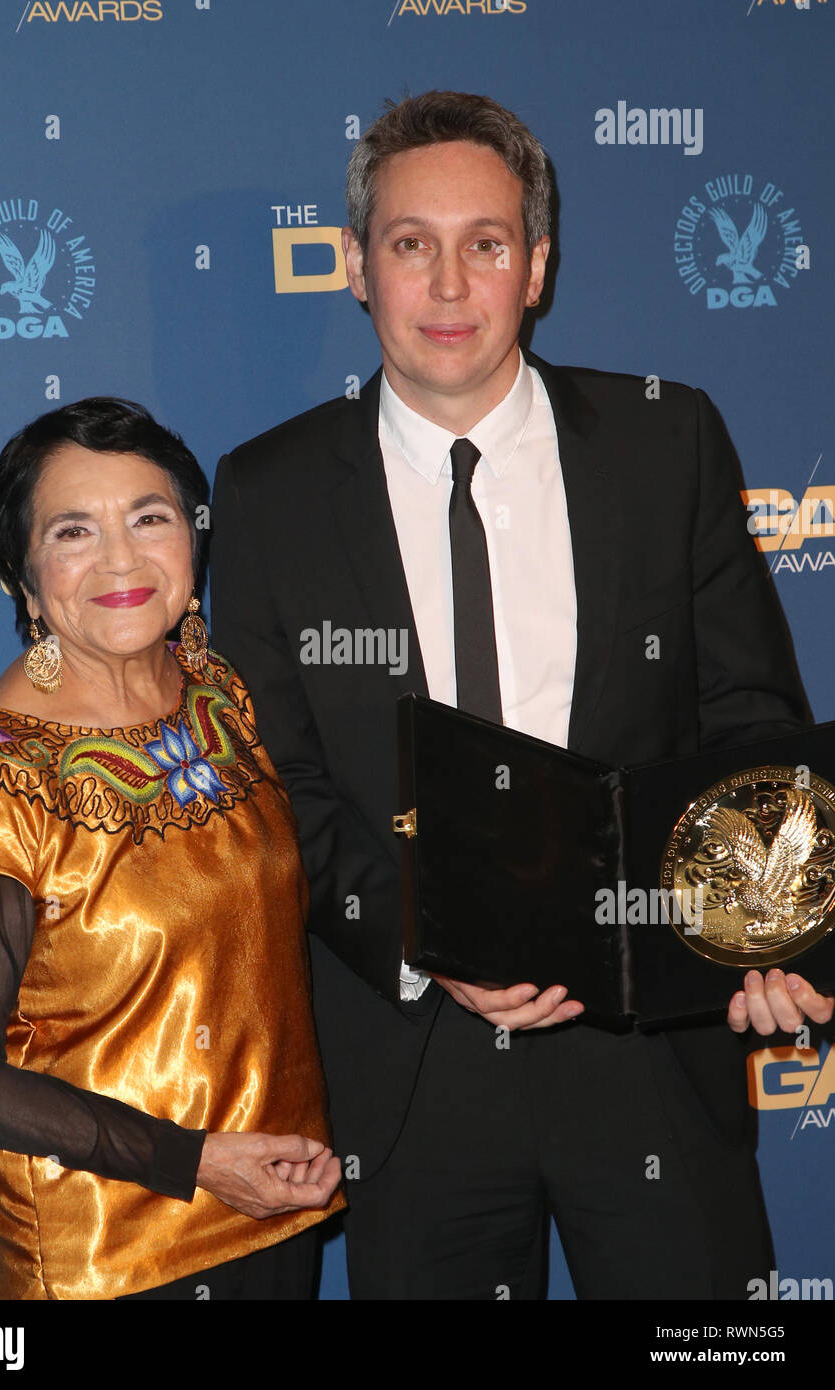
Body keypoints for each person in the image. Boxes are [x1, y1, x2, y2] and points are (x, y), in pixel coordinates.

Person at [209, 91, 834, 1300]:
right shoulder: (269, 490)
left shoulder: (670, 444)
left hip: (648, 1043)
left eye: (484, 244)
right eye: (409, 243)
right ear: (353, 266)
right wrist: (423, 941)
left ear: (535, 266)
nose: (448, 284)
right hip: (412, 1066)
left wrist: (762, 930)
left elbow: (750, 727)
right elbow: (278, 786)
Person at [0, 397, 343, 1301]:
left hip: (271, 1211)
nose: (121, 559)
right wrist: (195, 1160)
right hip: (107, 1257)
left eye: (149, 518)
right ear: (23, 577)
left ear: (192, 541)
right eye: (73, 532)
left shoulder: (221, 694)